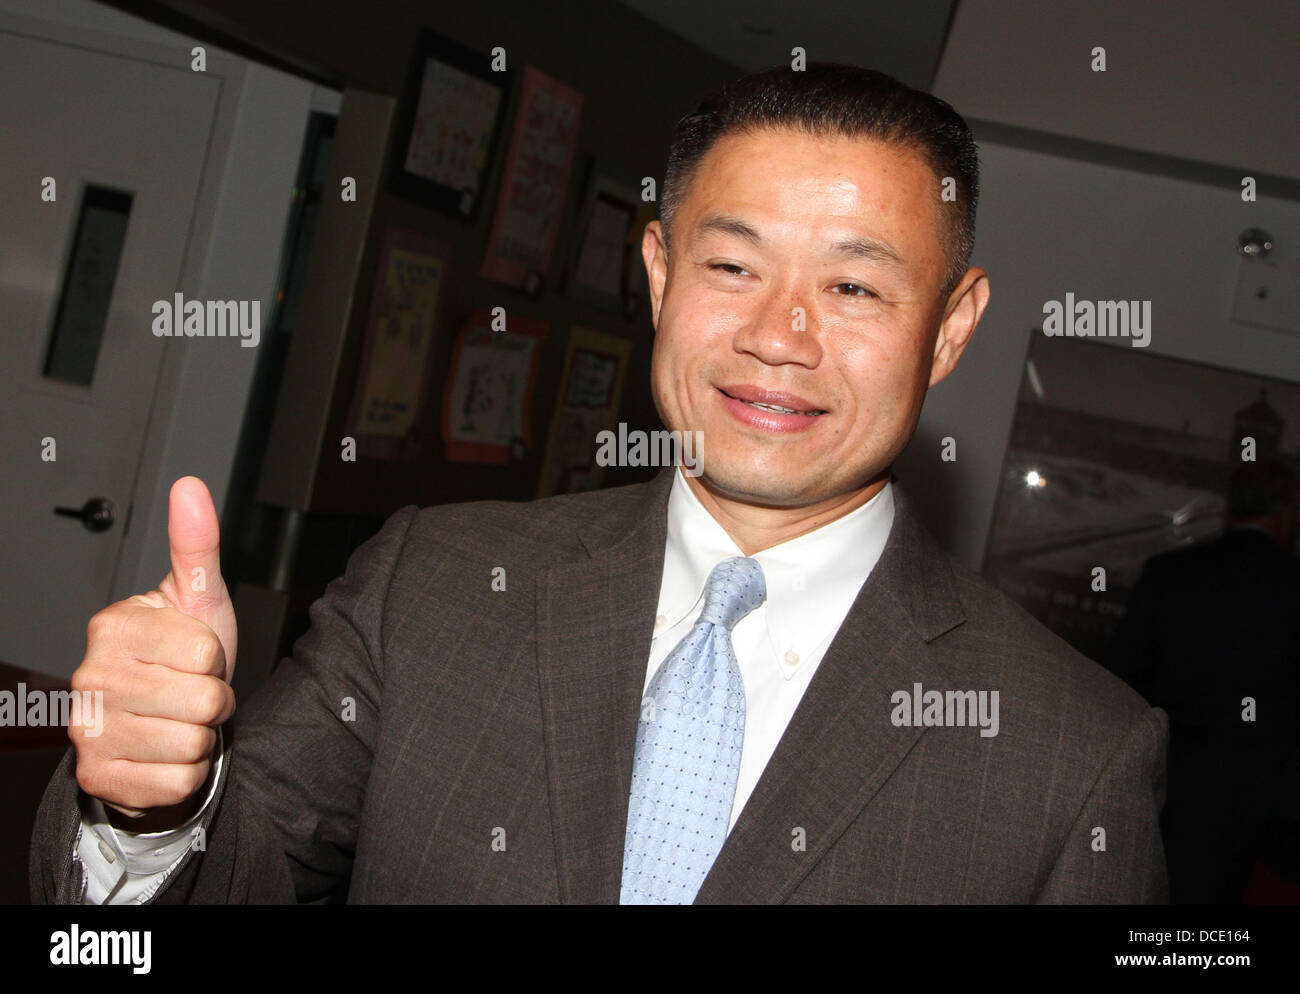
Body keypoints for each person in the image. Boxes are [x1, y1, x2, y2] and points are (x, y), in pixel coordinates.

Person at [32, 63, 1168, 904]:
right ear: (659, 269)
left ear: (951, 326)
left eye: (857, 290)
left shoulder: (1070, 753)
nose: (781, 336)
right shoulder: (430, 585)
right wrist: (146, 812)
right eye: (732, 266)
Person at [1107, 458, 1300, 903]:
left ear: (1230, 507)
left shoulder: (1169, 573)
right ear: (1287, 511)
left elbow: (1120, 683)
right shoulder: (1294, 587)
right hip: (1267, 820)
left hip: (1166, 797)